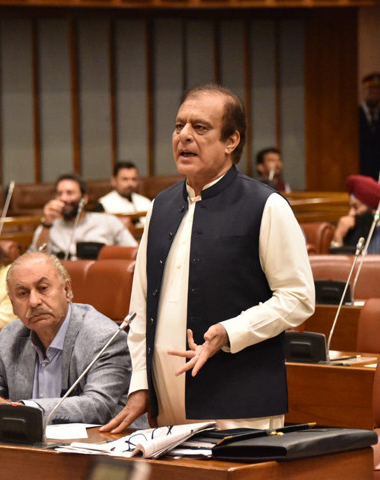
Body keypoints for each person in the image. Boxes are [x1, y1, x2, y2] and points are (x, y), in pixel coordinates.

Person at [101, 84, 315, 433]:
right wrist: (140, 385)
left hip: (240, 401)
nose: (183, 136)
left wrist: (229, 332)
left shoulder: (266, 205)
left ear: (231, 140)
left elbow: (298, 298)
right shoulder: (160, 206)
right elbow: (140, 307)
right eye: (178, 126)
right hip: (168, 402)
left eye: (199, 128)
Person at [0, 252, 132, 424]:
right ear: (13, 305)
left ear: (67, 291)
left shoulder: (103, 337)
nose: (34, 301)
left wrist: (14, 409)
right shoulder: (12, 337)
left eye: (43, 288)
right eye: (22, 294)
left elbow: (97, 407)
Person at [31, 173, 138, 259]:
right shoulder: (48, 226)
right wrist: (47, 224)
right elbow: (37, 259)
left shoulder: (108, 222)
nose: (63, 198)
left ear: (84, 198)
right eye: (59, 194)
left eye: (70, 193)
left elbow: (134, 252)